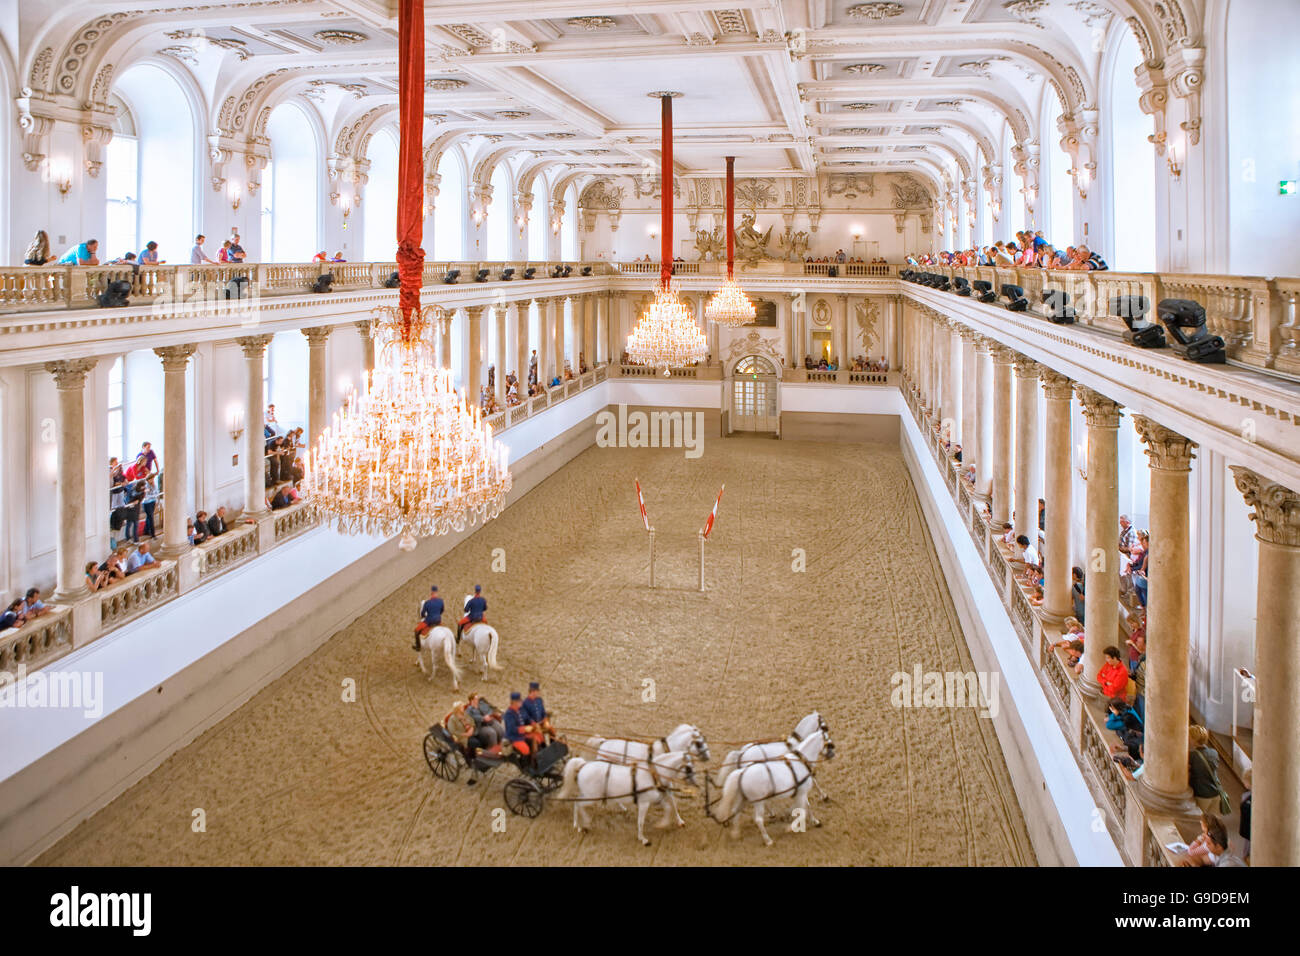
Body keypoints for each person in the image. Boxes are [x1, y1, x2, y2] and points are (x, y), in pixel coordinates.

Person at [1188, 724, 1229, 816]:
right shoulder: (1213, 752)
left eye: (1189, 737)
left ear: (1193, 739)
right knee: (1214, 823)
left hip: (1202, 794)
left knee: (1200, 822)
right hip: (1216, 792)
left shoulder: (1192, 755)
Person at [1177, 815, 1244, 867]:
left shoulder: (1227, 864)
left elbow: (1192, 853)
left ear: (1218, 846)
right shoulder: (1223, 852)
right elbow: (1201, 859)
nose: (1206, 845)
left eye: (1208, 843)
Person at [503, 691, 543, 759]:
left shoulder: (521, 709)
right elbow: (512, 729)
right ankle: (527, 763)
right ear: (514, 702)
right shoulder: (509, 714)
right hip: (514, 737)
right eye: (519, 701)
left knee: (539, 737)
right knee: (525, 749)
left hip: (524, 734)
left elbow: (527, 718)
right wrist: (524, 729)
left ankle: (537, 757)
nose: (521, 702)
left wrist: (533, 723)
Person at [413, 584, 444, 651]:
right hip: (438, 620)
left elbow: (422, 613)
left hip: (429, 621)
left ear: (431, 593)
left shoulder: (427, 603)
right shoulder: (441, 601)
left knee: (416, 630)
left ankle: (418, 646)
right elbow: (442, 610)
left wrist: (424, 616)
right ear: (437, 592)